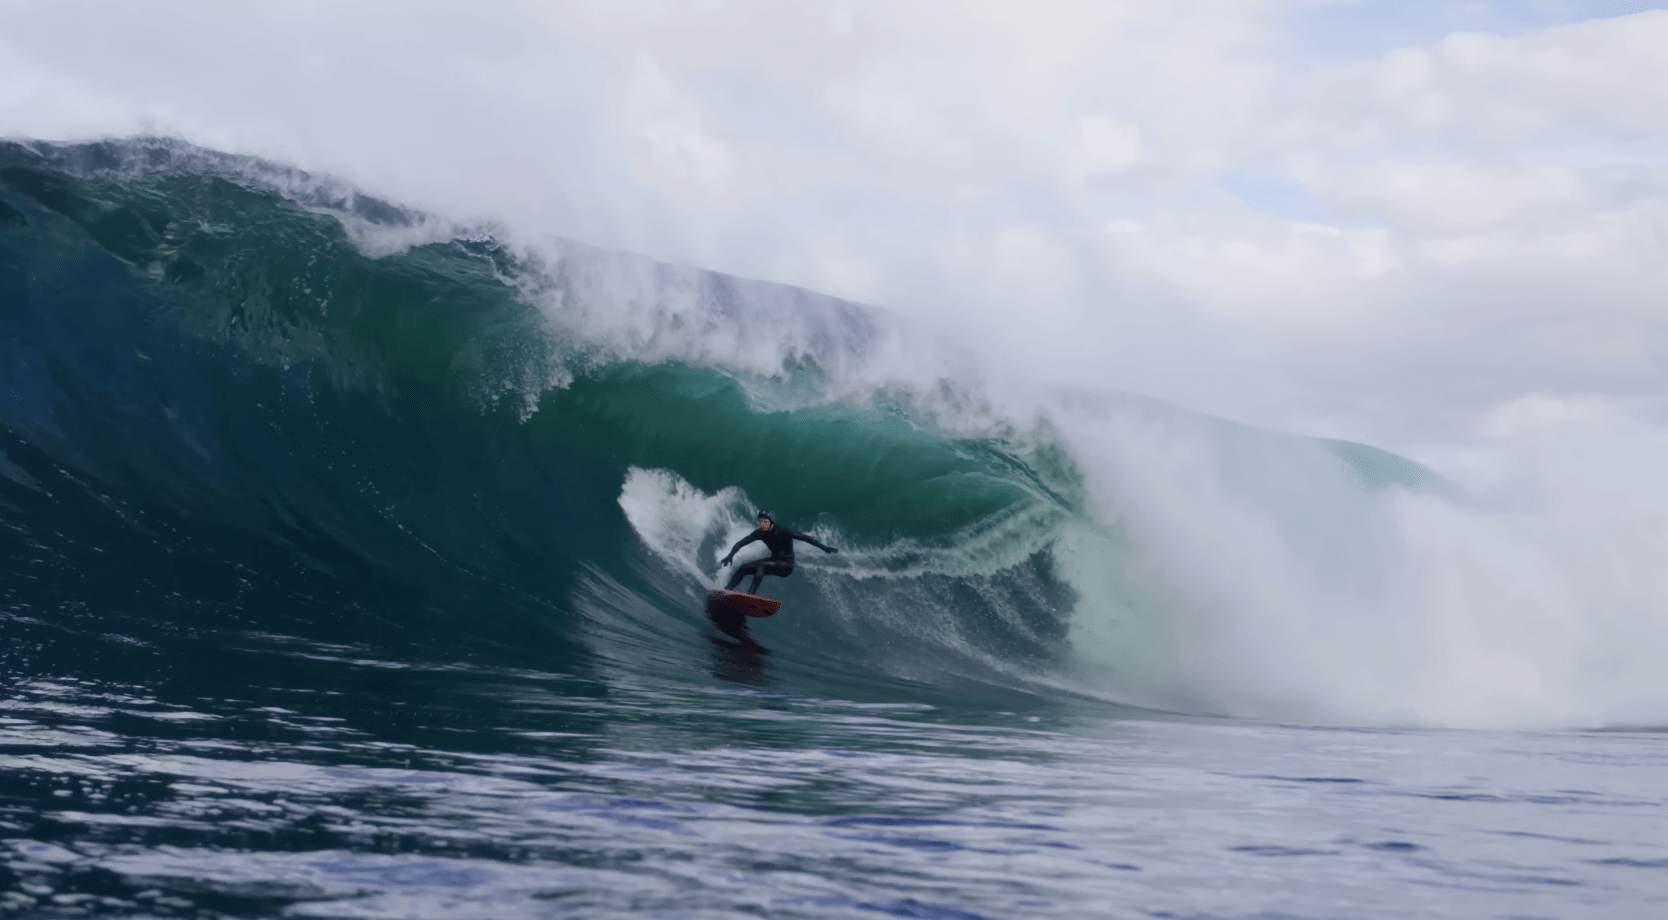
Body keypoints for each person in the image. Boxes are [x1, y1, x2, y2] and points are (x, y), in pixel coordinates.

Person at [719, 509, 838, 595]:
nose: (762, 524)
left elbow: (806, 538)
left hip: (786, 565)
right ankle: (725, 591)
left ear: (771, 521)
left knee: (761, 565)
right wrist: (730, 555)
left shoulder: (784, 530)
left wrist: (824, 548)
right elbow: (741, 543)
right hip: (773, 561)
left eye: (765, 521)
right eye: (760, 521)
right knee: (743, 568)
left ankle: (750, 596)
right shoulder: (760, 533)